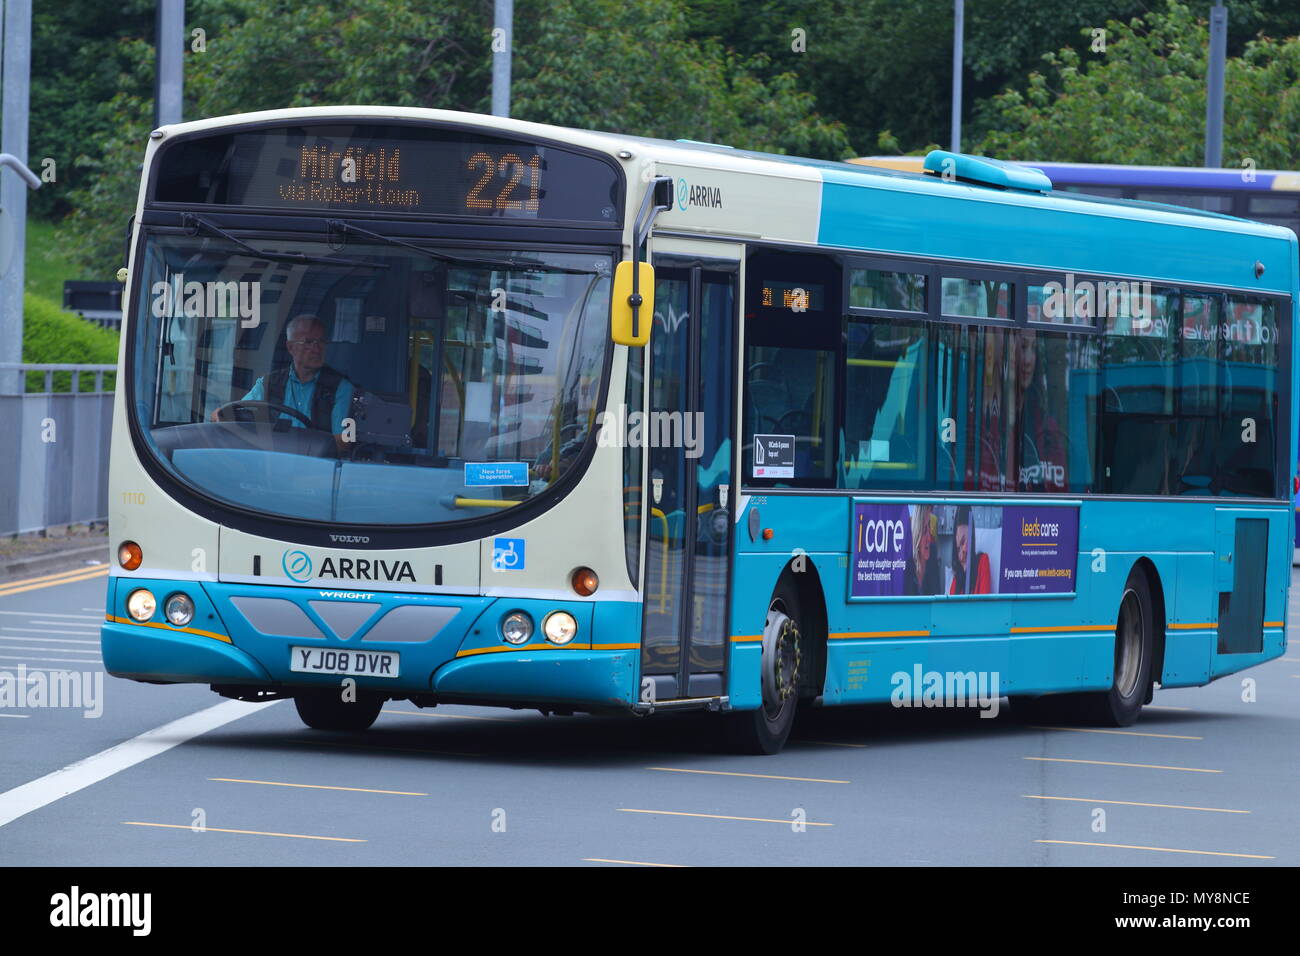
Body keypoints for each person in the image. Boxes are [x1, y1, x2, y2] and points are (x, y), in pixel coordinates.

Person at [216, 314, 356, 451]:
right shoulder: (267, 383)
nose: (316, 349)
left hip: (316, 468)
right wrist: (220, 416)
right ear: (290, 347)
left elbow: (343, 443)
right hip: (269, 462)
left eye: (321, 341)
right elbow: (231, 414)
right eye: (308, 342)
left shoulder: (341, 388)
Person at [948, 505, 993, 595]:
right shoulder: (956, 580)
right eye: (958, 548)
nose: (963, 550)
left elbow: (984, 602)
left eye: (964, 540)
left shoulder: (982, 561)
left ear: (971, 537)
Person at [904, 504, 941, 595]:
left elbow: (936, 595)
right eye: (924, 531)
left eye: (929, 529)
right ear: (917, 534)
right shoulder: (907, 562)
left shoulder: (932, 553)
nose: (929, 538)